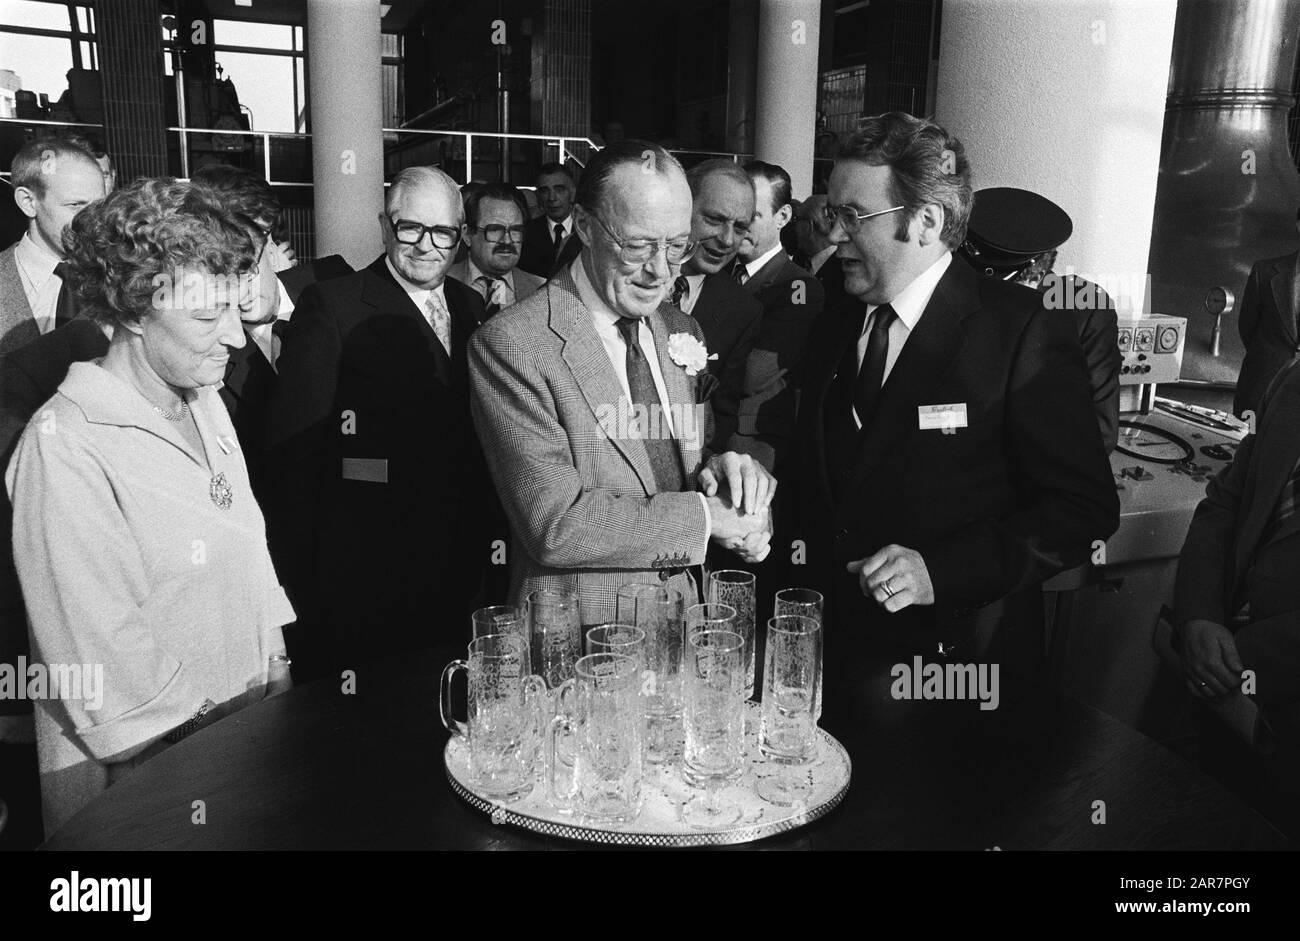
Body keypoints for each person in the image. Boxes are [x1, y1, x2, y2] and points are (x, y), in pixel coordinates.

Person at [794, 113, 1119, 709]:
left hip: (957, 675)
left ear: (926, 221)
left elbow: (1083, 510)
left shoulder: (1023, 332)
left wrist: (939, 571)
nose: (832, 236)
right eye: (829, 215)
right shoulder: (835, 316)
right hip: (830, 662)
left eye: (853, 217)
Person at [4, 177, 294, 833]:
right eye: (205, 315)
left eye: (234, 306)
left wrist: (276, 683)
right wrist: (235, 742)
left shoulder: (205, 399)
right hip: (150, 801)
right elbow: (109, 678)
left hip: (244, 765)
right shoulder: (64, 448)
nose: (237, 338)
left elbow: (249, 560)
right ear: (132, 311)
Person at [468, 141, 775, 623]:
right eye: (637, 246)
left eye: (676, 246)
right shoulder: (514, 344)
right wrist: (705, 517)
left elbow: (676, 464)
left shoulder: (681, 330)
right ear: (586, 226)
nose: (660, 270)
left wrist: (730, 480)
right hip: (580, 645)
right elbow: (556, 524)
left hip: (685, 630)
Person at [265, 166, 491, 673]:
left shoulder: (470, 304)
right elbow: (295, 454)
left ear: (461, 236)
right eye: (410, 228)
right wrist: (306, 582)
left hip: (459, 567)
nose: (426, 245)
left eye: (443, 232)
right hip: (369, 573)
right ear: (385, 226)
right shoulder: (334, 304)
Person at [1175, 356, 1300, 835]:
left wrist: (1235, 659)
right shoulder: (1290, 380)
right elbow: (1226, 503)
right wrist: (1200, 617)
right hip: (1221, 708)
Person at [959, 186, 1121, 454]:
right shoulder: (953, 291)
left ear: (1039, 270)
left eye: (1005, 286)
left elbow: (1098, 432)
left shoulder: (1084, 308)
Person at [734, 160, 825, 475]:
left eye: (753, 216)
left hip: (752, 448)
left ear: (783, 217)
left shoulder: (798, 286)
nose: (739, 226)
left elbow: (753, 374)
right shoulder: (719, 274)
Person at [671, 158, 763, 455]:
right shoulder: (627, 275)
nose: (726, 240)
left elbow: (722, 417)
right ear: (683, 205)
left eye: (740, 228)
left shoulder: (742, 311)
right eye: (714, 219)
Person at [0, 137, 105, 354]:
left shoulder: (122, 274)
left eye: (100, 206)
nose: (93, 220)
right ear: (28, 202)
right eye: (76, 205)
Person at [1233, 207, 1300, 420]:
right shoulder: (1265, 272)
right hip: (1262, 386)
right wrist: (1270, 359)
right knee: (1248, 448)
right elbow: (1248, 327)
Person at [447, 181, 544, 315]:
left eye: (515, 230)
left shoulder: (540, 289)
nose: (507, 240)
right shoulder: (441, 283)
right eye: (494, 230)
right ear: (467, 235)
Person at [519, 162, 582, 278]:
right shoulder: (526, 233)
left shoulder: (588, 231)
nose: (552, 198)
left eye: (559, 189)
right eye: (544, 191)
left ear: (572, 193)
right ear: (537, 196)